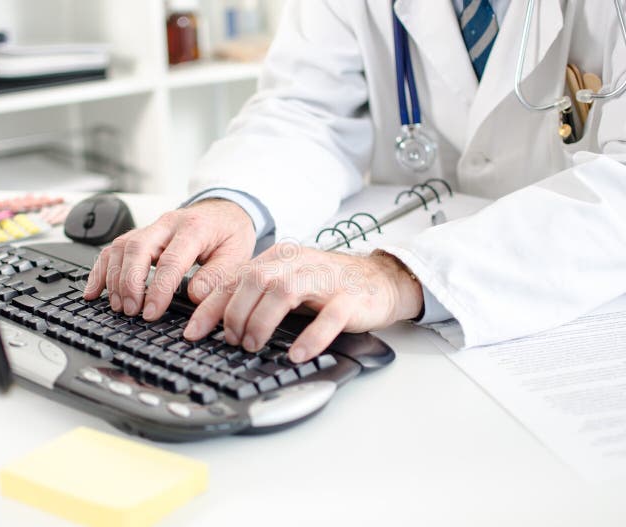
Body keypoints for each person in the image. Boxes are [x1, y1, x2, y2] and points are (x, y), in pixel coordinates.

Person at [85, 0, 626, 362]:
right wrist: (233, 203)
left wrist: (400, 276)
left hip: (578, 319)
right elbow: (307, 108)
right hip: (409, 338)